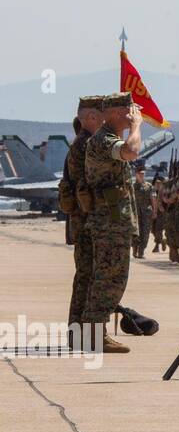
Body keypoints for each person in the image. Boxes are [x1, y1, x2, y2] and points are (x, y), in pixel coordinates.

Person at [81, 93, 144, 353]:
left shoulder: (108, 138)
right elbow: (131, 151)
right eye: (129, 109)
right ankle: (94, 334)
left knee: (111, 277)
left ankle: (95, 332)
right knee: (109, 278)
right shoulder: (104, 140)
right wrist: (138, 126)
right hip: (109, 223)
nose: (133, 113)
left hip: (113, 221)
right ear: (117, 113)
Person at [63, 96, 103, 329]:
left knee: (85, 275)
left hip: (83, 220)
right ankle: (80, 329)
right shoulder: (85, 144)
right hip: (86, 220)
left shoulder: (81, 143)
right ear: (89, 118)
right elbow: (87, 184)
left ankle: (77, 328)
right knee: (87, 276)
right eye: (100, 115)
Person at [131, 163, 155, 258]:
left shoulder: (149, 186)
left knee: (145, 232)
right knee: (136, 232)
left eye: (143, 174)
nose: (142, 175)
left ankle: (141, 251)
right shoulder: (132, 187)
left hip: (146, 213)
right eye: (140, 173)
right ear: (136, 174)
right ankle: (135, 248)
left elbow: (153, 199)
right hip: (135, 212)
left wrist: (155, 211)